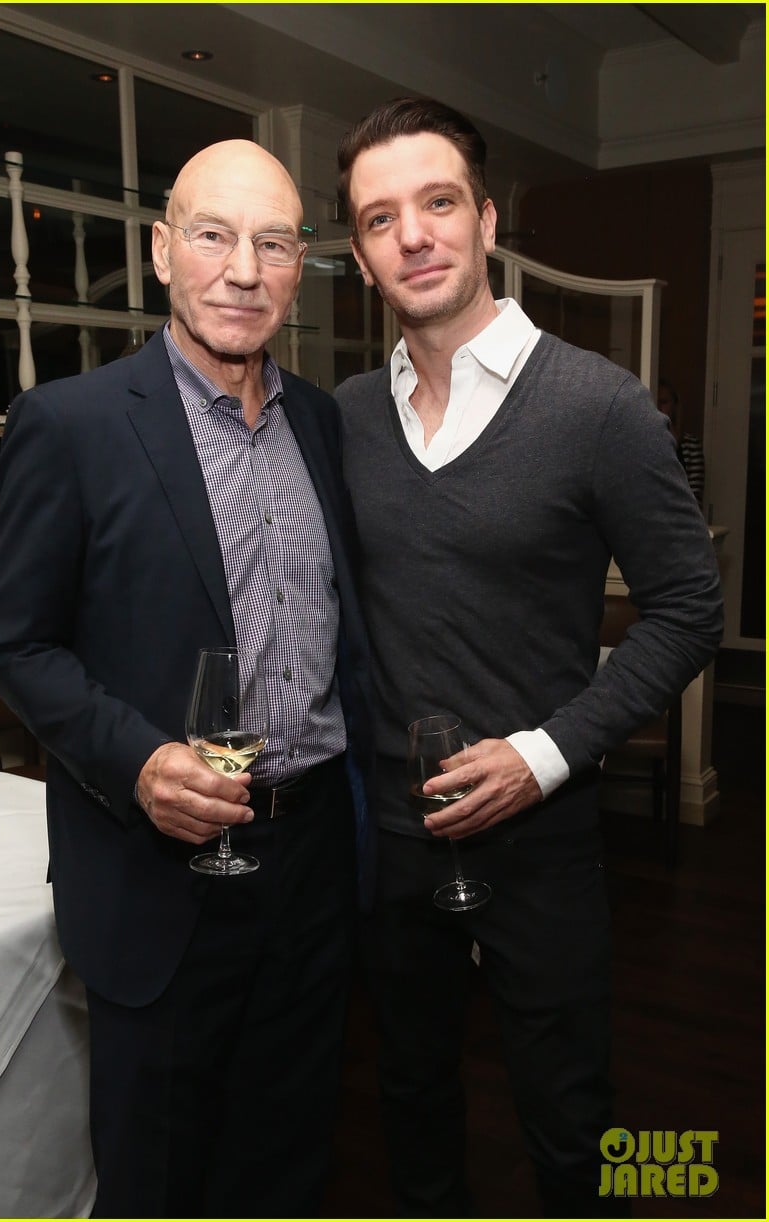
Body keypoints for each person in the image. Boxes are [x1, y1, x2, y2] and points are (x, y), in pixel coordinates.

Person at [333, 97, 723, 1219]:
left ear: (486, 221)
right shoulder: (348, 417)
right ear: (361, 257)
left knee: (570, 1115)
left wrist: (544, 755)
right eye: (379, 217)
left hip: (542, 839)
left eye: (438, 202)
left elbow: (689, 609)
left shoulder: (596, 406)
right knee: (407, 1094)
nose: (412, 234)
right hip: (398, 843)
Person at [0, 139, 374, 1219]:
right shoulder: (75, 424)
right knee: (159, 1175)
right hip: (160, 875)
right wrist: (137, 757)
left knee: (288, 1157)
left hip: (310, 863)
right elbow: (15, 642)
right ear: (161, 252)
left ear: (299, 267)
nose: (244, 269)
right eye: (213, 235)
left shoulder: (324, 425)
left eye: (274, 243)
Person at [657, 376, 706, 507]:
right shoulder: (639, 442)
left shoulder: (691, 445)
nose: (658, 407)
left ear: (674, 405)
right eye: (654, 401)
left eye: (663, 402)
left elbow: (695, 497)